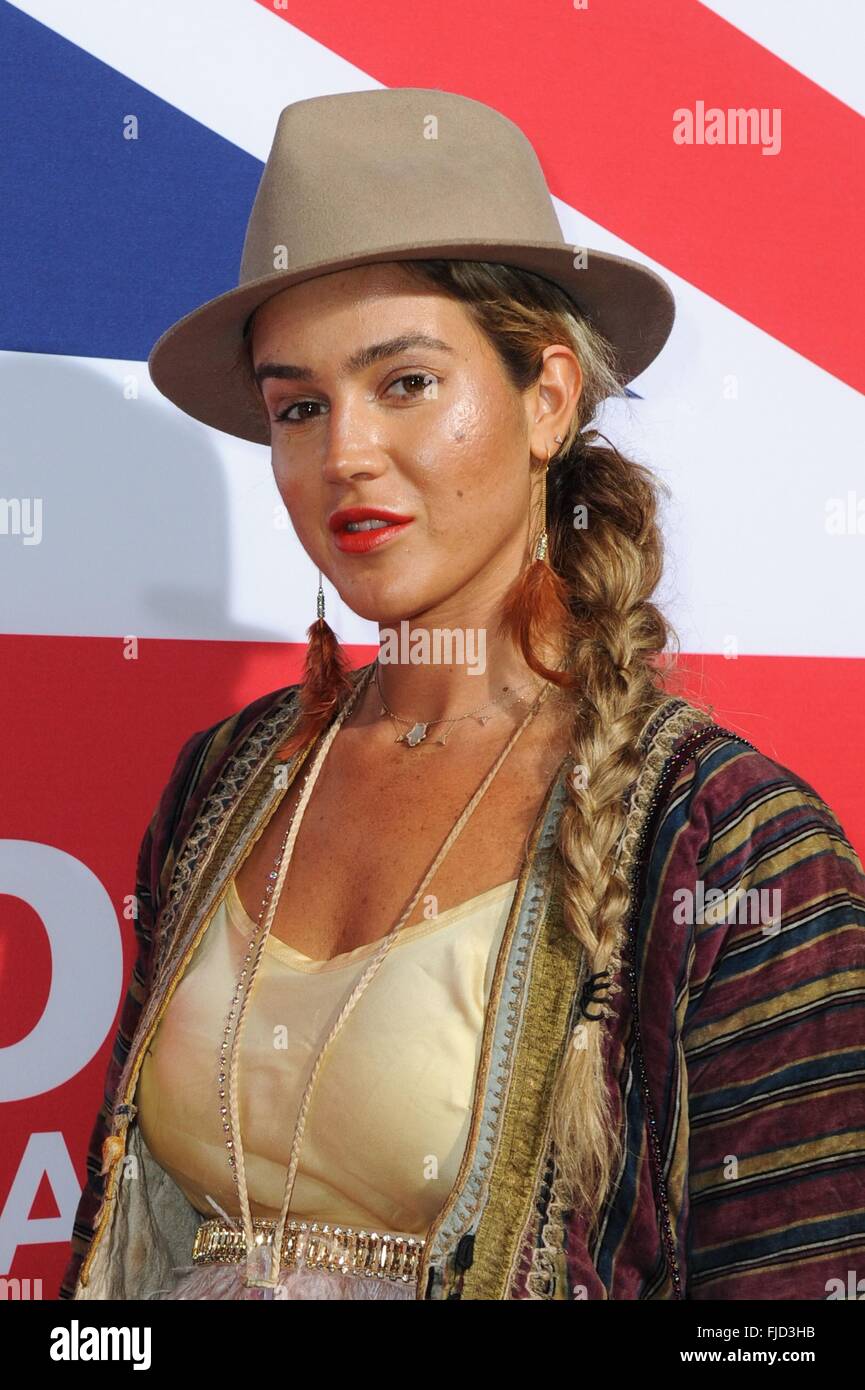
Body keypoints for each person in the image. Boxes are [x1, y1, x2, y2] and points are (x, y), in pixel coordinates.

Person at [60, 88, 865, 1302]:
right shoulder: (223, 781)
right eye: (298, 407)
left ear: (546, 397)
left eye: (406, 384)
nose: (345, 457)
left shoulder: (738, 846)